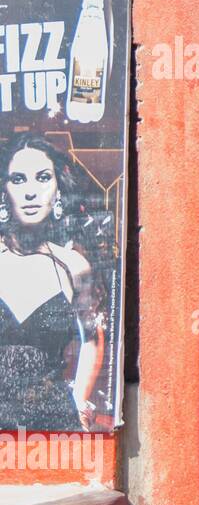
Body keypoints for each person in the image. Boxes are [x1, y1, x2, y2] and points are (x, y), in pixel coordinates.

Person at [0, 134, 102, 432]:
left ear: (58, 189)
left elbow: (92, 341)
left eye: (42, 178)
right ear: (4, 191)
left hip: (53, 421)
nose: (31, 192)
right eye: (18, 180)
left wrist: (79, 403)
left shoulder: (73, 266)